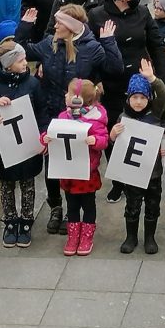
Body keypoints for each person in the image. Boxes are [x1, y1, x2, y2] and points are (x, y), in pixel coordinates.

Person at [25, 7, 114, 235]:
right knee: (52, 164)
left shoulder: (92, 48)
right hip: (52, 112)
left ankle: (72, 211)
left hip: (79, 119)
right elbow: (23, 50)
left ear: (72, 26)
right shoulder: (49, 43)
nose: (55, 26)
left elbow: (115, 69)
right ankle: (56, 206)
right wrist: (25, 27)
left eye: (59, 23)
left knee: (74, 164)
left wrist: (109, 42)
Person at [0, 40, 47, 249]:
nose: (26, 63)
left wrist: (42, 134)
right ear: (8, 64)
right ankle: (10, 221)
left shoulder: (32, 84)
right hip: (4, 146)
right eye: (21, 60)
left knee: (28, 183)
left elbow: (41, 111)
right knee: (7, 184)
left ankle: (26, 221)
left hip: (27, 142)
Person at [92, 0, 162, 150]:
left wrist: (161, 79)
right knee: (115, 133)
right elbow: (90, 51)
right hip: (111, 85)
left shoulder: (143, 12)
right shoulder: (97, 15)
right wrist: (96, 79)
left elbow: (156, 46)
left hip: (140, 82)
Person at [111, 69, 165, 255]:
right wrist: (113, 135)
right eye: (135, 97)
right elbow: (116, 145)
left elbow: (164, 95)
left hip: (153, 172)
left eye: (143, 97)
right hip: (132, 173)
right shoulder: (123, 118)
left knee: (153, 204)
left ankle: (150, 237)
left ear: (149, 98)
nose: (138, 101)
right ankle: (131, 237)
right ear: (128, 98)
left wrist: (152, 78)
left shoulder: (156, 114)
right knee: (132, 205)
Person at [50, 78, 108, 257]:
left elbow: (104, 139)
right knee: (72, 205)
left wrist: (95, 140)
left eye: (68, 93)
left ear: (77, 99)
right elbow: (54, 132)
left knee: (88, 205)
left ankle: (86, 237)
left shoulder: (95, 119)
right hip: (69, 170)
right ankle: (73, 236)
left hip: (87, 172)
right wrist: (46, 137)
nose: (65, 95)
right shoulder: (63, 116)